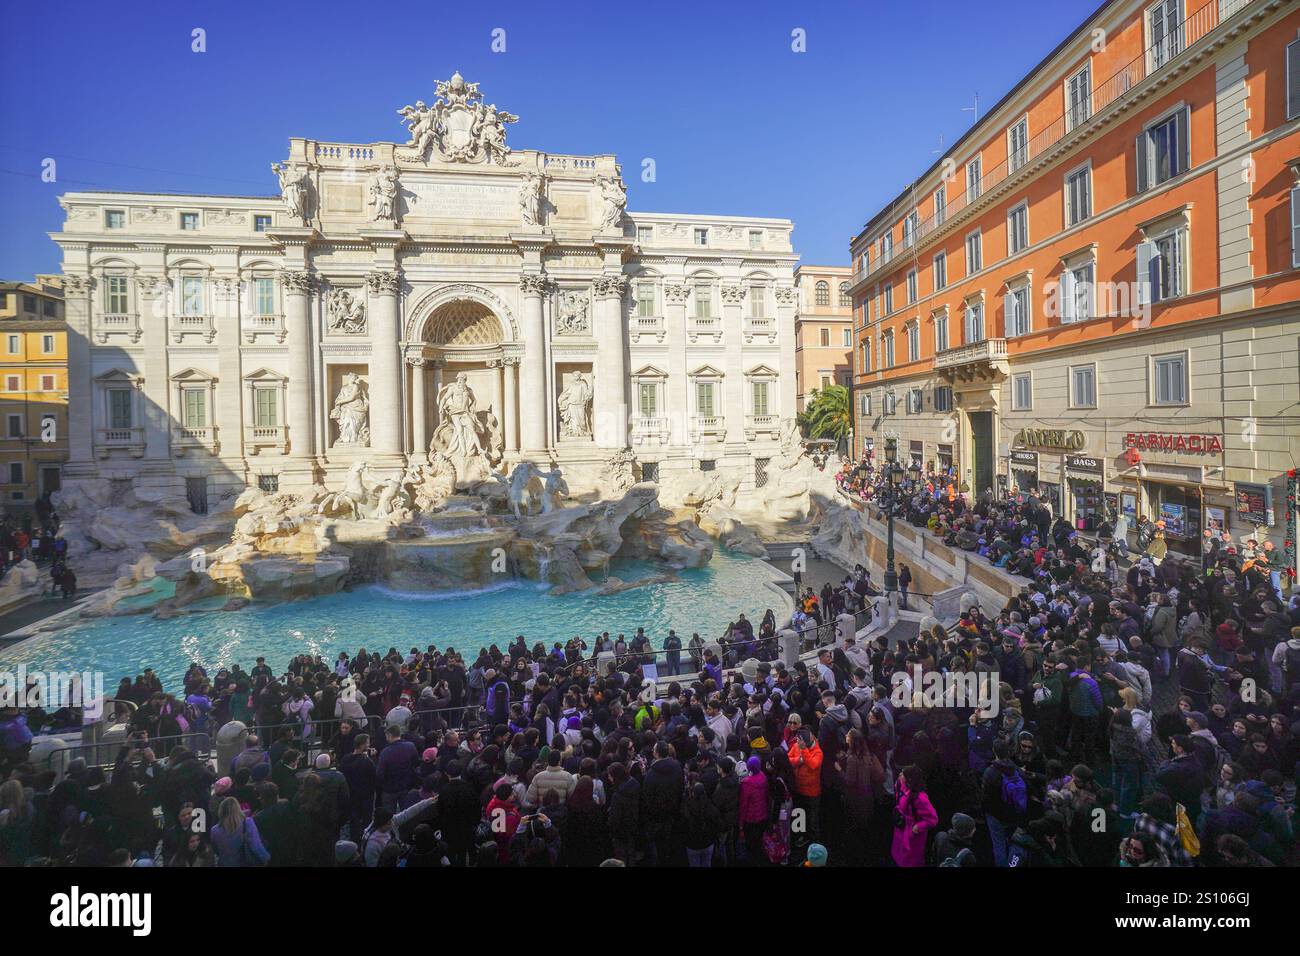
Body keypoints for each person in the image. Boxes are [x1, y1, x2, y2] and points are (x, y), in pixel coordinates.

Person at [891, 765, 938, 867]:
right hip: (902, 828)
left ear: (910, 779)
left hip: (912, 834)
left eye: (903, 774)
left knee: (910, 860)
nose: (900, 774)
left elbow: (932, 819)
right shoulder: (902, 787)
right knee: (900, 855)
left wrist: (917, 827)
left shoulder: (921, 799)